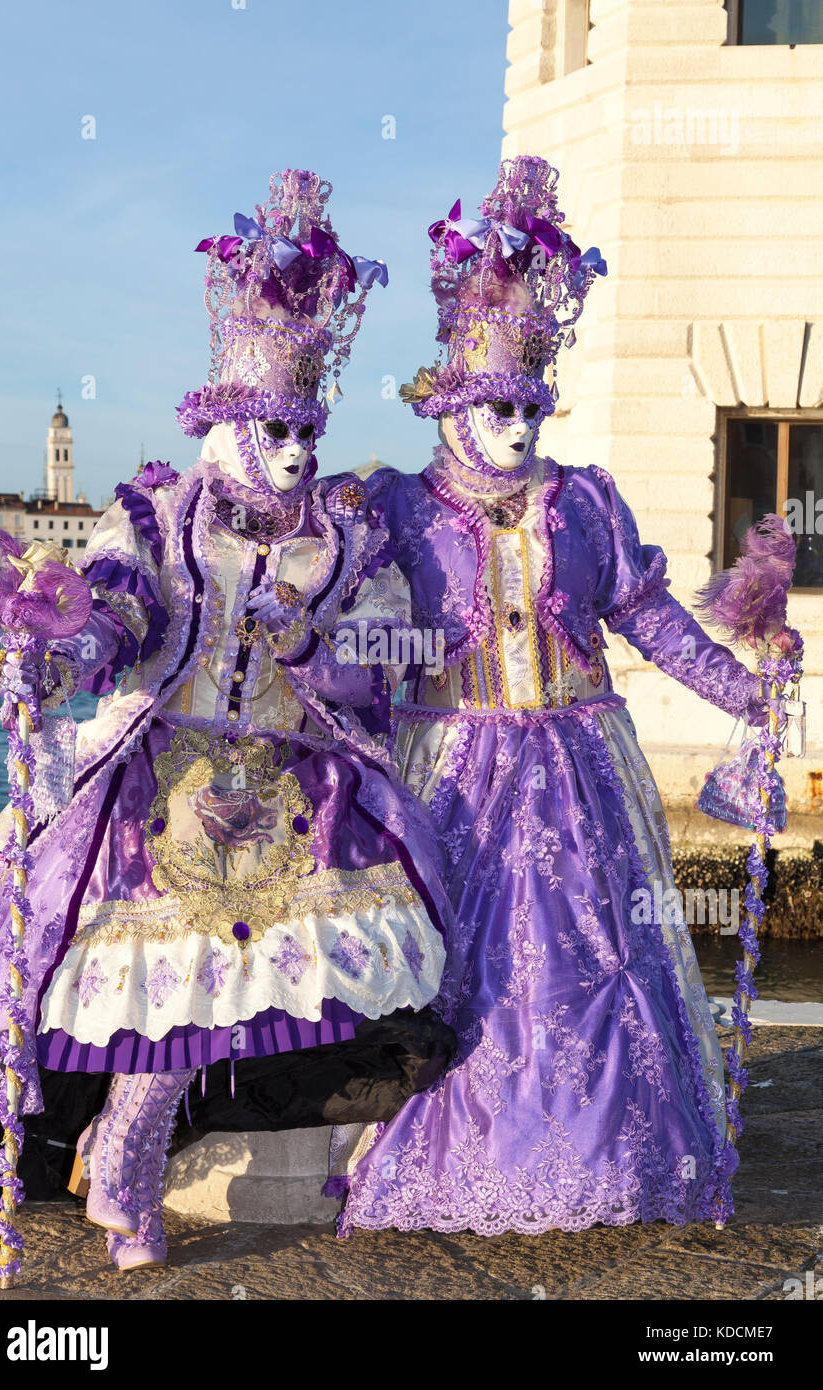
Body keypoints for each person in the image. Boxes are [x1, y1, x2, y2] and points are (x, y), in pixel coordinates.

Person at [0, 169, 449, 1269]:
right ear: (229, 417)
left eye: (305, 429)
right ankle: (125, 1152)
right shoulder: (157, 517)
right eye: (272, 427)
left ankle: (155, 1147)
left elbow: (382, 663)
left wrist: (313, 637)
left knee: (283, 965)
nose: (290, 453)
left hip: (296, 785)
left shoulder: (342, 537)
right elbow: (112, 623)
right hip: (164, 780)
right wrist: (52, 648)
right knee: (168, 968)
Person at [336, 155, 770, 1238]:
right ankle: (460, 1158)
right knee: (467, 973)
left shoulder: (582, 502)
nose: (519, 429)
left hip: (577, 772)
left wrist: (743, 687)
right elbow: (347, 637)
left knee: (587, 964)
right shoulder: (393, 507)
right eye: (495, 405)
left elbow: (648, 617)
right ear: (447, 402)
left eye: (530, 404)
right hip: (453, 777)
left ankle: (608, 1159)